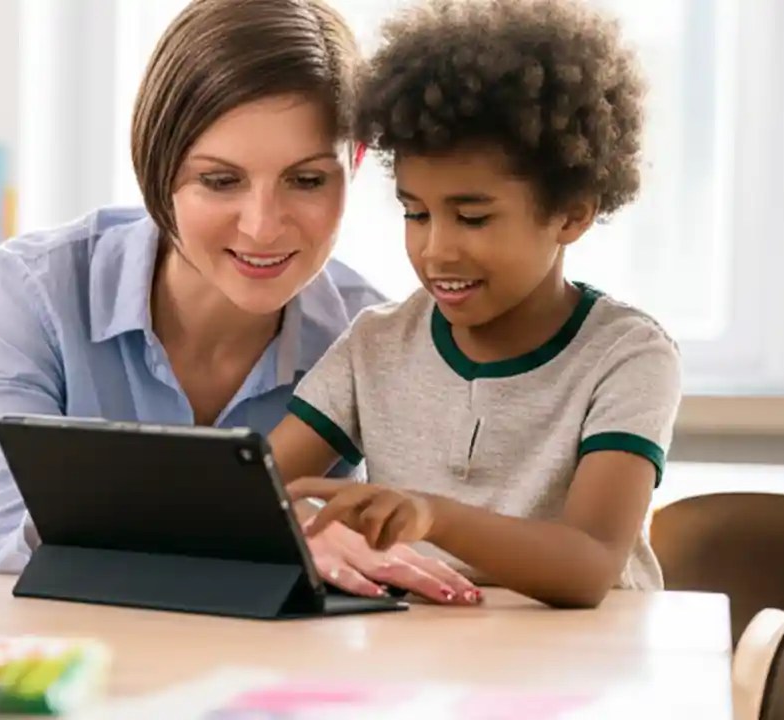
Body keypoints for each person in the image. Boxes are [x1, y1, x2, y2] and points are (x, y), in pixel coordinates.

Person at [0, 0, 478, 605]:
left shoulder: (368, 333)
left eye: (307, 180)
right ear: (158, 166)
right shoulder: (31, 290)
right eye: (220, 181)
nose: (263, 227)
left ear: (352, 163)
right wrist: (255, 535)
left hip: (196, 657)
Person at [269, 0, 682, 608]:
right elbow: (256, 492)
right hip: (420, 663)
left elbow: (589, 564)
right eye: (415, 213)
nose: (436, 250)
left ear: (571, 213)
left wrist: (431, 516)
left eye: (472, 217)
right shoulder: (376, 344)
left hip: (586, 666)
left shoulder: (627, 356)